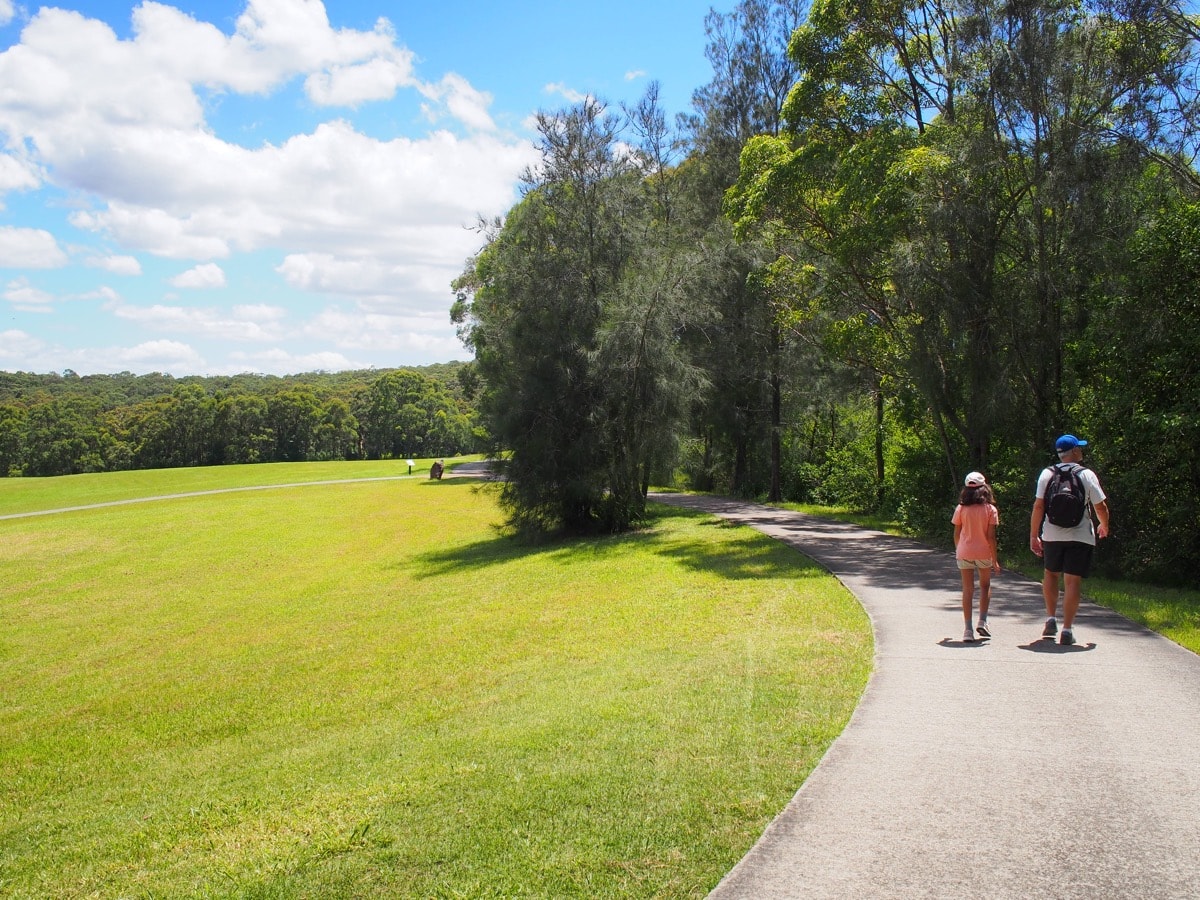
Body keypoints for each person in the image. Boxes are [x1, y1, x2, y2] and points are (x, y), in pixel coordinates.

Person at [1029, 434, 1110, 645]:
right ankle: (1067, 629)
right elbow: (1100, 506)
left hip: (1052, 534)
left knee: (1050, 574)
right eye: (1079, 448)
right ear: (1073, 452)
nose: (1081, 451)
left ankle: (1050, 618)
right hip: (1080, 534)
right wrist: (1104, 524)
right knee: (1072, 580)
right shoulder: (1087, 474)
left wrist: (1033, 535)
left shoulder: (1047, 474)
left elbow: (1039, 506)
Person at [952, 471, 1000, 642]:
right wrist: (994, 559)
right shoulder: (990, 509)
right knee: (985, 586)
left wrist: (959, 549)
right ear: (984, 488)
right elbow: (991, 537)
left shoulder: (961, 508)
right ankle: (983, 620)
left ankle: (967, 630)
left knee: (967, 589)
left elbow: (957, 532)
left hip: (964, 552)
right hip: (984, 552)